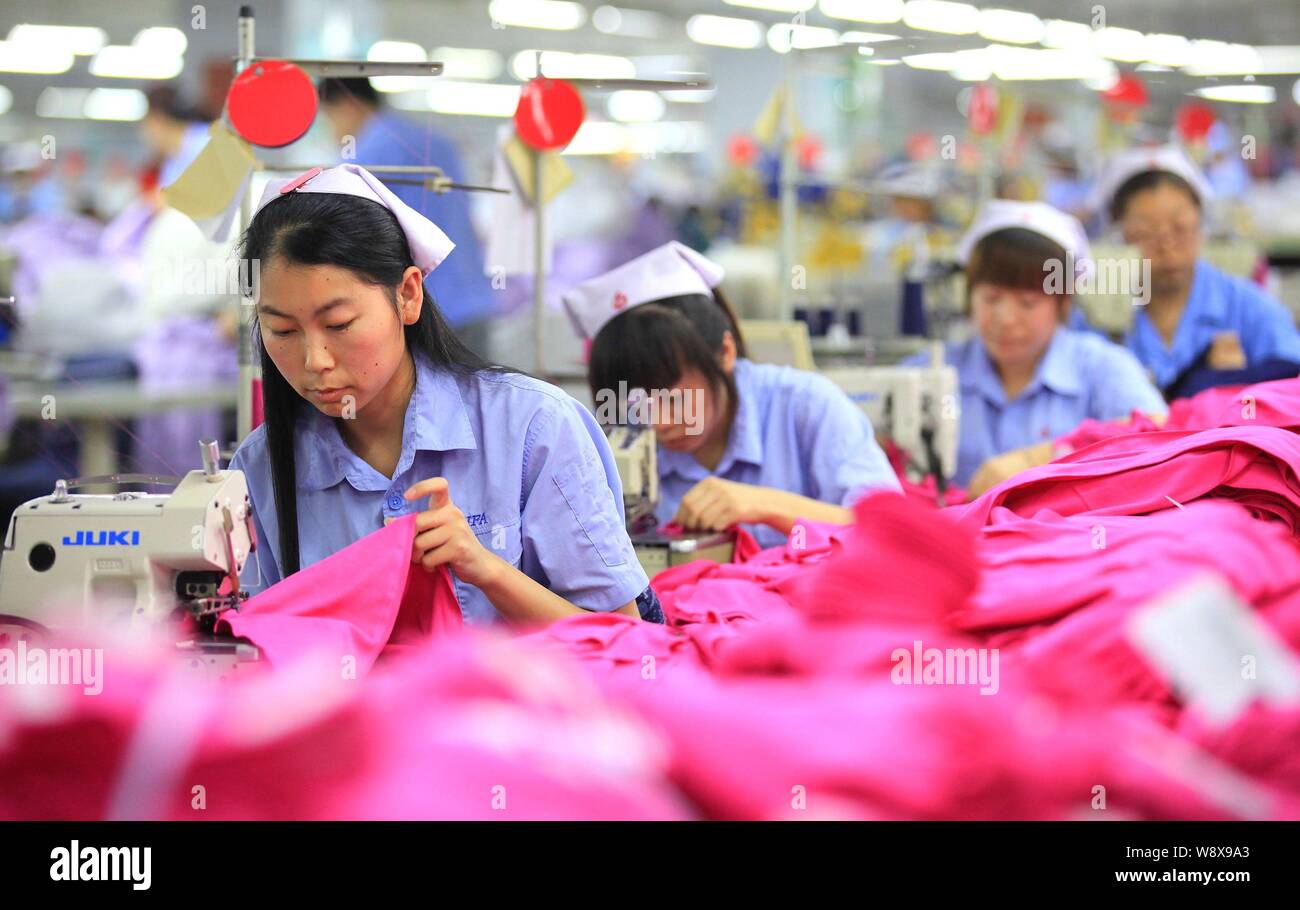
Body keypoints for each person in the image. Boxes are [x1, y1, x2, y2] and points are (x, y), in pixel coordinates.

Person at [230, 164, 654, 626]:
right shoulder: (258, 471)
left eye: (339, 325)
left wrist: (487, 570)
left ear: (409, 295)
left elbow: (622, 637)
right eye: (282, 330)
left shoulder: (534, 428)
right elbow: (254, 648)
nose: (316, 361)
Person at [562, 241, 900, 550]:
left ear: (724, 352)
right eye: (636, 406)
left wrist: (765, 506)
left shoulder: (806, 406)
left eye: (674, 399)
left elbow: (894, 531)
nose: (657, 423)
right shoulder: (624, 440)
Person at [905, 200, 1166, 494]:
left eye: (1027, 303)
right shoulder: (928, 372)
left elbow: (1156, 435)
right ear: (969, 296)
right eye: (991, 298)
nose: (1006, 319)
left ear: (1063, 303)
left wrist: (1038, 459)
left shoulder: (1103, 367)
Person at [1082, 145, 1300, 398]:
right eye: (1146, 233)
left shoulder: (1249, 308)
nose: (1167, 246)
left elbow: (1293, 391)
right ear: (1120, 237)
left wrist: (1233, 381)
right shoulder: (1097, 314)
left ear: (1200, 223)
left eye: (1181, 227)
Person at [318, 78, 495, 356]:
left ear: (347, 106)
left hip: (429, 309)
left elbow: (337, 227)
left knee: (424, 396)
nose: (331, 131)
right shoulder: (435, 142)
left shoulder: (372, 150)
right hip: (471, 300)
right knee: (472, 395)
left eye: (328, 119)